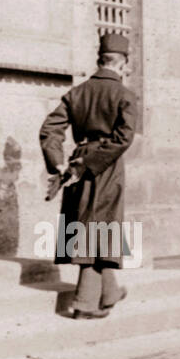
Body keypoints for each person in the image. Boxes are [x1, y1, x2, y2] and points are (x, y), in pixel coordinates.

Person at [38, 32, 139, 319]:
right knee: (100, 227)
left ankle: (109, 293)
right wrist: (90, 164)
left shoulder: (76, 92)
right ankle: (84, 303)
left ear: (100, 60)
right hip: (106, 165)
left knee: (89, 224)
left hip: (77, 162)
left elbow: (49, 130)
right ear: (122, 64)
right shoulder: (126, 95)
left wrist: (59, 163)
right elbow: (123, 139)